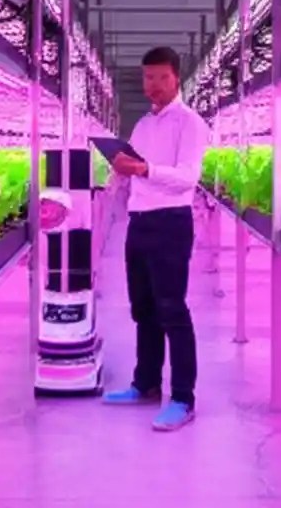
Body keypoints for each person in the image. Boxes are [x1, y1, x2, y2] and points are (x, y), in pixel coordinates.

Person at [101, 46, 210, 432]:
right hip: (140, 222)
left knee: (172, 310)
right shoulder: (143, 126)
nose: (154, 85)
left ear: (176, 77)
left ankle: (183, 397)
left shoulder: (190, 124)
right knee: (143, 309)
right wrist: (114, 178)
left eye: (162, 77)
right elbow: (132, 171)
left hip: (171, 223)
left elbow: (187, 178)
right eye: (148, 77)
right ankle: (145, 383)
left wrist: (145, 169)